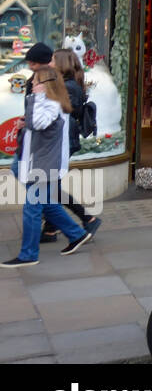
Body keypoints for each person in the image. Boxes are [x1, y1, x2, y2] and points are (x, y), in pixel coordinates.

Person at [2, 66, 93, 267]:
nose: (32, 85)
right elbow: (37, 126)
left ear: (46, 85)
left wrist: (35, 101)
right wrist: (25, 124)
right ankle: (77, 234)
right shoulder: (50, 102)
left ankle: (28, 254)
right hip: (42, 162)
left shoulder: (52, 104)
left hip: (45, 164)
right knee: (45, 203)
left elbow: (40, 124)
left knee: (32, 208)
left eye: (35, 82)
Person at [40, 50, 102, 244]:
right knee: (51, 186)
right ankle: (52, 229)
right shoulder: (66, 84)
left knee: (50, 186)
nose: (49, 63)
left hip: (63, 140)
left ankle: (85, 220)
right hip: (60, 139)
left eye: (52, 60)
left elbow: (62, 110)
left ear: (61, 63)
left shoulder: (70, 87)